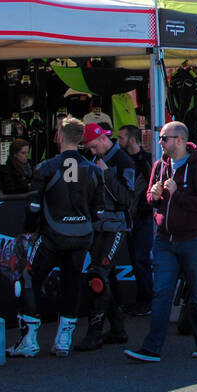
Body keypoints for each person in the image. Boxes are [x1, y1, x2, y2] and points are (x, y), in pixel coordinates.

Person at [6, 117, 105, 358]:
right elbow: (98, 210)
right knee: (71, 283)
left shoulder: (46, 167)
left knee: (28, 279)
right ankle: (63, 340)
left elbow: (33, 205)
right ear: (81, 139)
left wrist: (29, 231)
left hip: (52, 236)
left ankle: (29, 339)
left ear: (59, 136)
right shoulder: (93, 168)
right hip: (81, 236)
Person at [125, 122, 197, 361]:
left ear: (179, 140)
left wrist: (178, 194)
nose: (160, 142)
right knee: (161, 292)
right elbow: (149, 199)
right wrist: (153, 197)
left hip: (195, 239)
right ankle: (152, 348)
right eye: (160, 138)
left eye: (165, 138)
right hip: (165, 239)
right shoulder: (159, 166)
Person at [75, 122, 136, 351]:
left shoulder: (124, 161)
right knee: (106, 277)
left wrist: (106, 174)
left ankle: (95, 332)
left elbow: (127, 199)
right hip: (97, 226)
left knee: (99, 276)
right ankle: (118, 329)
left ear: (102, 140)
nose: (92, 152)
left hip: (116, 226)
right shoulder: (93, 161)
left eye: (92, 146)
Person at [118, 125, 155, 316]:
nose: (119, 141)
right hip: (129, 217)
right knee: (136, 258)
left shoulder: (147, 160)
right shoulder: (122, 160)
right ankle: (144, 299)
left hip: (144, 217)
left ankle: (147, 300)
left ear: (132, 139)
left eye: (122, 137)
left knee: (141, 258)